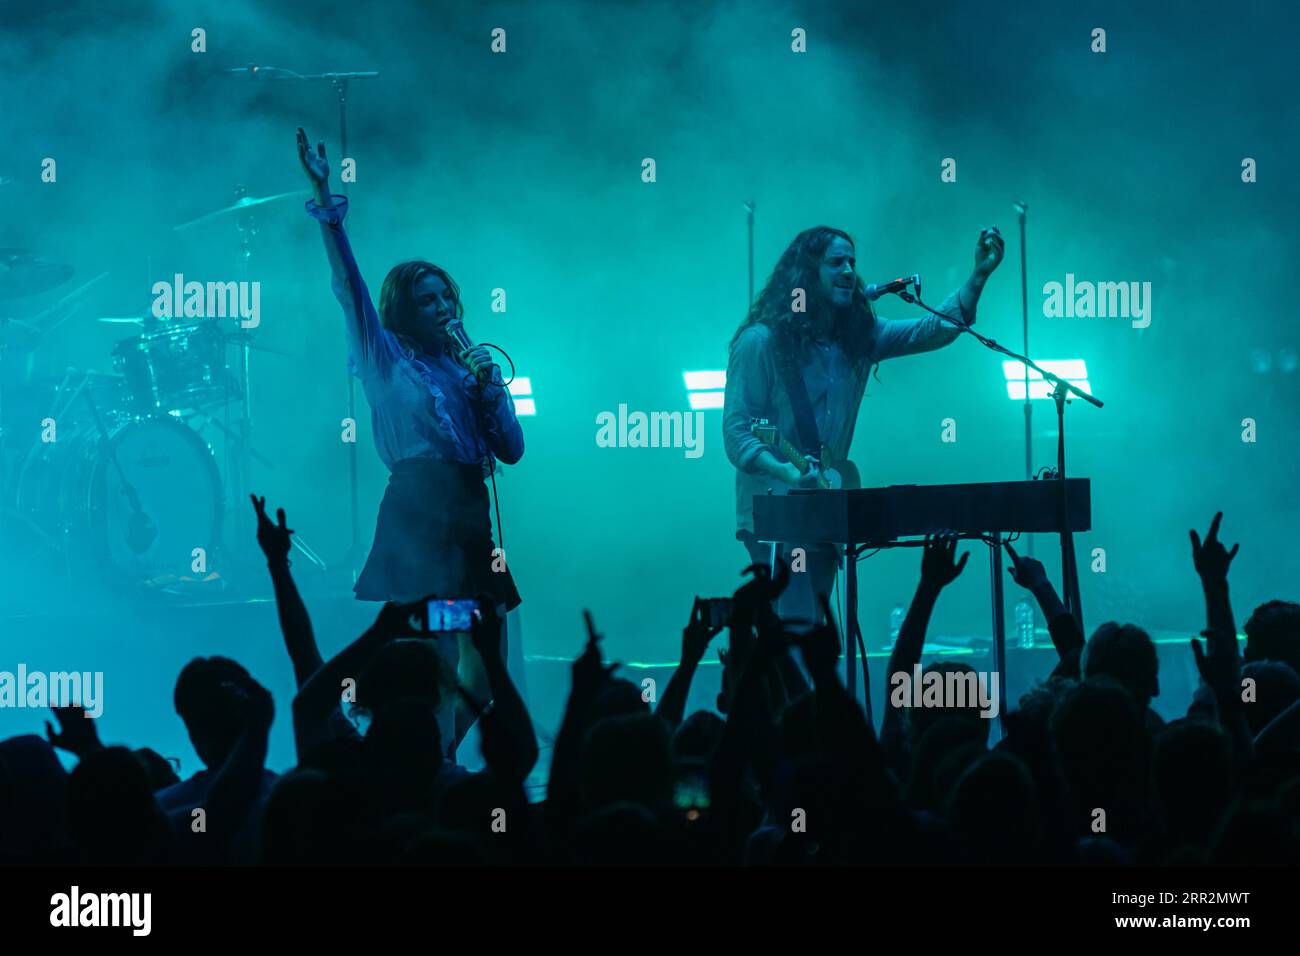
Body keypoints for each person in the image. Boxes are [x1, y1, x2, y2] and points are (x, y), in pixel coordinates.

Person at [296, 128, 524, 753]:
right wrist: (325, 201)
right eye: (426, 298)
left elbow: (512, 450)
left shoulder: (467, 368)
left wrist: (491, 390)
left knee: (491, 655)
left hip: (469, 514)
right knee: (442, 650)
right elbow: (348, 289)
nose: (442, 305)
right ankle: (436, 766)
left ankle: (439, 752)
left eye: (446, 293)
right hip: (420, 512)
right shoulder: (384, 356)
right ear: (403, 309)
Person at [722, 224, 1004, 623]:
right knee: (789, 628)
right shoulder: (762, 342)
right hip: (774, 509)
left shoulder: (858, 338)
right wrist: (782, 468)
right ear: (805, 275)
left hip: (826, 501)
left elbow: (933, 330)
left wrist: (978, 277)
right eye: (836, 262)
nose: (849, 270)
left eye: (852, 262)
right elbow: (737, 431)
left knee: (812, 627)